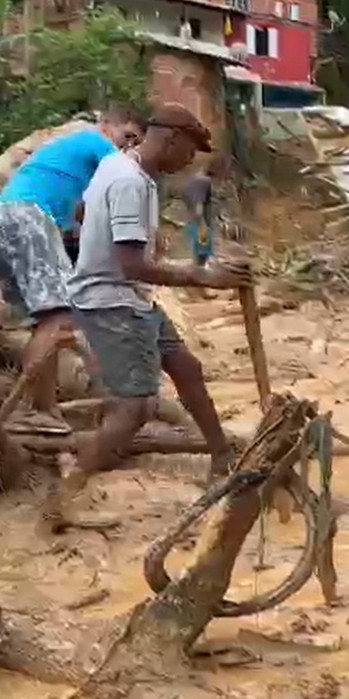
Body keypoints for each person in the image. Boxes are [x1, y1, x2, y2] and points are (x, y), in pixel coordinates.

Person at [48, 103, 253, 529]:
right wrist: (203, 276)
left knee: (186, 367)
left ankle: (222, 457)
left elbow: (85, 213)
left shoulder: (121, 167)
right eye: (188, 153)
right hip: (111, 300)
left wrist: (105, 238)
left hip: (128, 295)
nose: (186, 164)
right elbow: (130, 265)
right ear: (172, 139)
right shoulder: (128, 182)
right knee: (135, 408)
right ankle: (65, 495)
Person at [0, 107, 146, 428]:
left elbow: (86, 219)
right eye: (128, 137)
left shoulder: (70, 166)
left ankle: (38, 406)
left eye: (136, 142)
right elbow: (126, 175)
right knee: (57, 316)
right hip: (29, 218)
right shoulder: (93, 141)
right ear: (106, 125)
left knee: (44, 320)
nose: (129, 147)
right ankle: (40, 411)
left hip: (9, 218)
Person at [183, 155, 223, 267]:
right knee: (201, 257)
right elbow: (198, 204)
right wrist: (203, 226)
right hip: (201, 223)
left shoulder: (192, 179)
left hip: (193, 221)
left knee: (198, 255)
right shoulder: (203, 181)